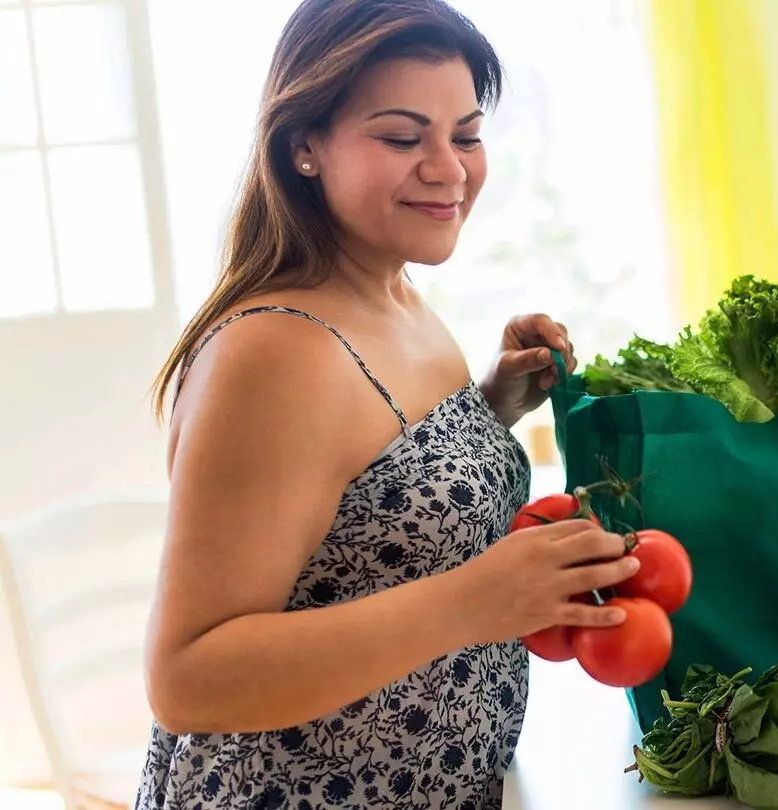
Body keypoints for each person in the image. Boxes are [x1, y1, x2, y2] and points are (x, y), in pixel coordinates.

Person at [135, 1, 639, 807]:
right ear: (304, 146)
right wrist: (474, 601)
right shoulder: (273, 350)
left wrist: (488, 408)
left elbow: (365, 510)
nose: (448, 168)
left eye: (466, 135)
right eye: (403, 138)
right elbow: (188, 678)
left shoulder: (393, 292)